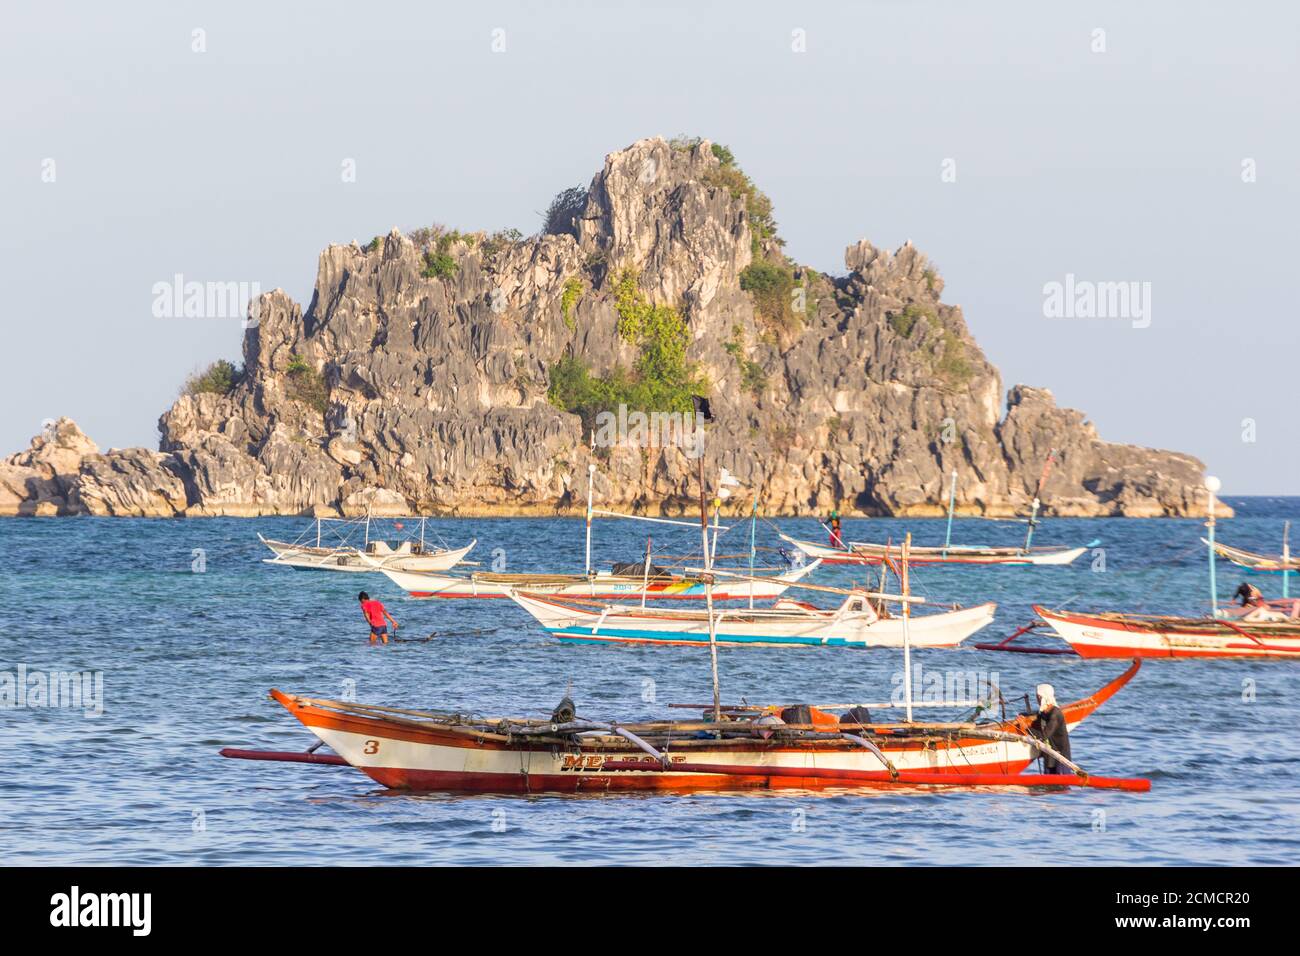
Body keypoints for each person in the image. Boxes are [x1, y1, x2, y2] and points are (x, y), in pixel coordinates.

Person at [1028, 683, 1071, 774]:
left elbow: (1043, 736)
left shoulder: (1055, 713)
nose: (1037, 699)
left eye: (1038, 696)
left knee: (1062, 786)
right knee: (1048, 787)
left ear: (1042, 697)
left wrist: (1026, 728)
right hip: (1049, 756)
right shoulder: (1044, 713)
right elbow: (1037, 717)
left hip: (1061, 758)